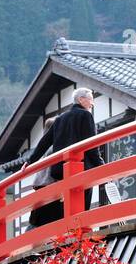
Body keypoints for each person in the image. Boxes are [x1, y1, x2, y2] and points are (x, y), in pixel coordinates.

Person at [24, 87, 108, 229]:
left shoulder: (60, 118)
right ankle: (79, 231)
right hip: (81, 168)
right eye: (90, 100)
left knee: (67, 201)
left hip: (60, 170)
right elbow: (91, 145)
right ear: (81, 100)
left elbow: (44, 142)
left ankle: (69, 230)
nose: (92, 104)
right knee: (82, 201)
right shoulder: (85, 115)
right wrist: (101, 166)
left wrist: (30, 161)